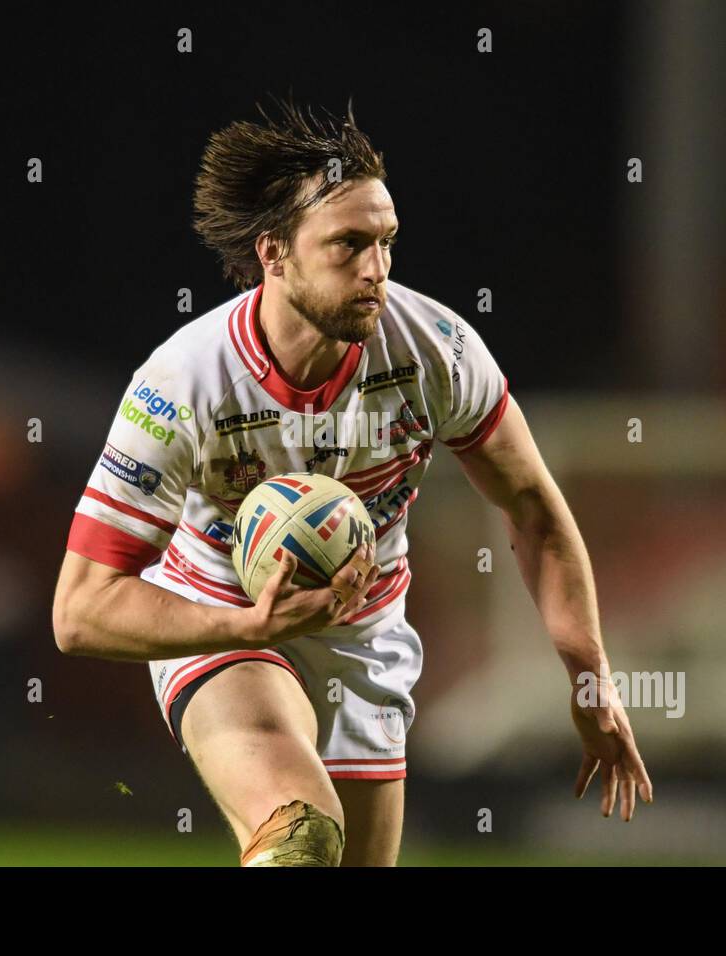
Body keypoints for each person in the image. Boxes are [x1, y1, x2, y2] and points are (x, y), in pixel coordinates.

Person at [52, 97, 651, 867]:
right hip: (225, 625)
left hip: (365, 643)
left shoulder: (435, 351)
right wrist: (248, 628)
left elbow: (533, 507)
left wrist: (590, 683)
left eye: (387, 243)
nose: (377, 270)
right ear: (274, 253)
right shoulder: (184, 384)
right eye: (349, 245)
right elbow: (80, 611)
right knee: (302, 841)